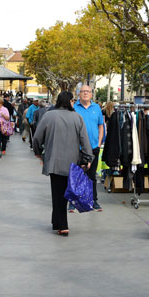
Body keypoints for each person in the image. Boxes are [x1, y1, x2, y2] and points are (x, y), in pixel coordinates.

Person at [32, 91, 93, 236]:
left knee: (57, 193)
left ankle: (62, 225)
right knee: (65, 193)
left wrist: (38, 152)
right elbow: (85, 140)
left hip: (54, 161)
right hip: (72, 161)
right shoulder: (77, 117)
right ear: (69, 101)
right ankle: (58, 222)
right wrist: (88, 158)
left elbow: (37, 138)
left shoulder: (49, 116)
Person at [74, 85, 105, 211]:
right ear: (79, 94)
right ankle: (74, 200)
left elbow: (101, 126)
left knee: (92, 175)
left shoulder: (96, 108)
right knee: (77, 175)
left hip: (93, 147)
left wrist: (99, 143)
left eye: (88, 91)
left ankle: (93, 200)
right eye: (83, 91)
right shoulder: (74, 108)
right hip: (78, 148)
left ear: (91, 94)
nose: (85, 93)